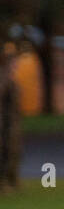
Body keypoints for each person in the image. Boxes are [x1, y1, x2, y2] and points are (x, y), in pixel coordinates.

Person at [0, 43, 21, 192]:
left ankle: (11, 181)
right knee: (5, 152)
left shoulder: (10, 78)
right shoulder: (4, 76)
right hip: (5, 123)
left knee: (13, 152)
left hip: (11, 122)